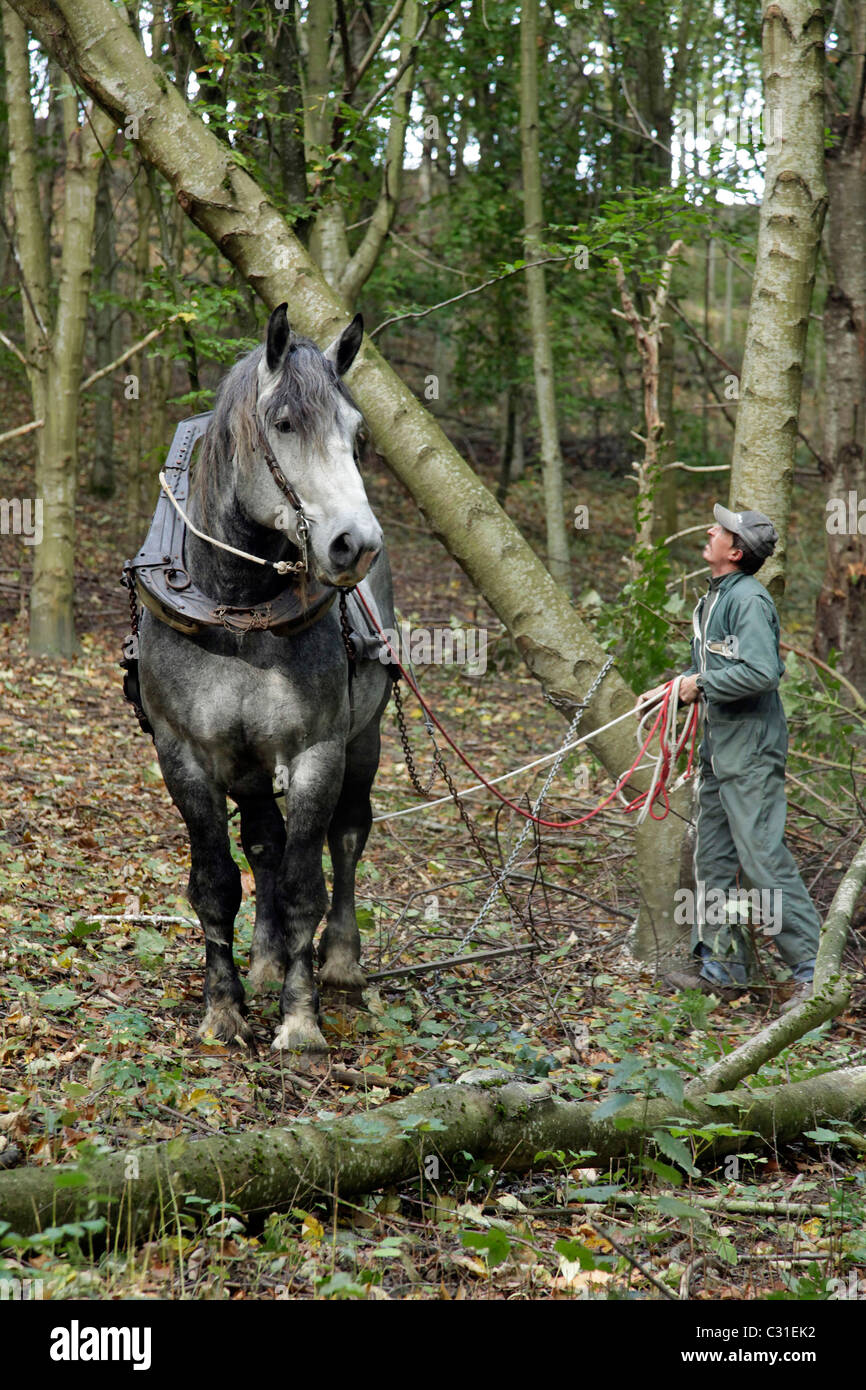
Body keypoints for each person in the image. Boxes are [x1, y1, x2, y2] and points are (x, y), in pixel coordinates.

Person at [639, 504, 821, 1011]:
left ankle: (814, 973)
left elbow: (762, 672)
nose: (709, 530)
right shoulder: (715, 598)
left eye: (719, 529)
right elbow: (715, 671)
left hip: (752, 753)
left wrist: (695, 685)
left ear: (735, 551)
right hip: (719, 752)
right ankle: (723, 969)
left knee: (762, 859)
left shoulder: (749, 600)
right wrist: (669, 690)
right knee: (713, 858)